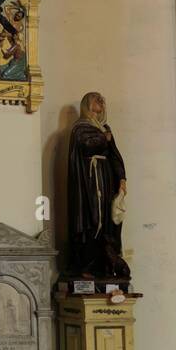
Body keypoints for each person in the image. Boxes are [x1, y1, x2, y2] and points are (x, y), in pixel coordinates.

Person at [66, 92, 130, 279]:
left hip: (106, 178)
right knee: (92, 220)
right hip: (88, 182)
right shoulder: (80, 127)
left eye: (102, 99)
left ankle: (106, 264)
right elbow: (86, 145)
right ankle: (85, 265)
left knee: (108, 221)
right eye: (96, 99)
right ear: (87, 104)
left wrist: (122, 179)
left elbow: (114, 155)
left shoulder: (104, 127)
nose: (101, 102)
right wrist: (104, 138)